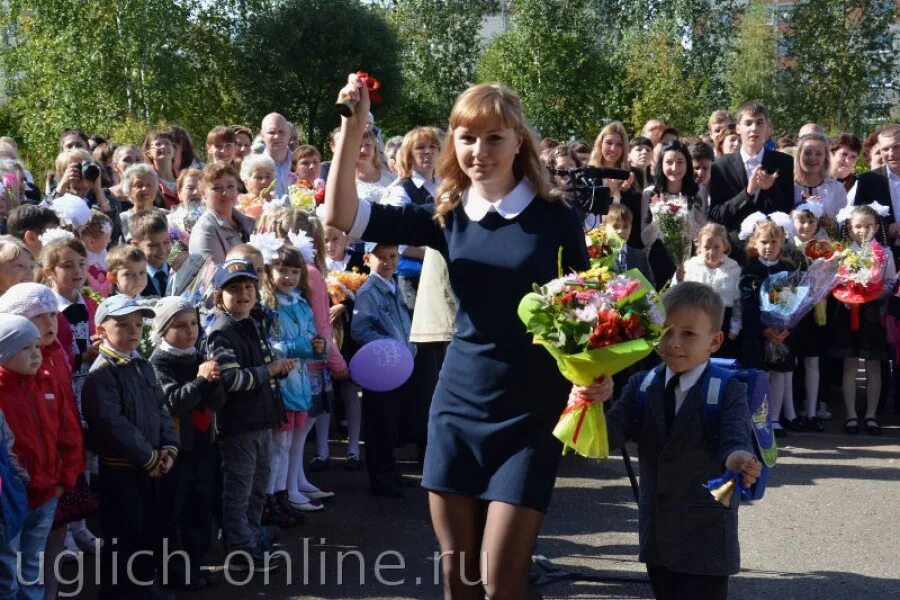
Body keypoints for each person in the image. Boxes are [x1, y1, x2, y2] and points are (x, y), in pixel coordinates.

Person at [325, 76, 588, 599]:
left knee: (501, 581)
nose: (479, 151)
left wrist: (596, 378)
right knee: (458, 578)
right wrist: (353, 130)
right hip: (458, 403)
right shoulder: (446, 215)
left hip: (531, 412)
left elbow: (584, 315)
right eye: (467, 138)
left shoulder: (556, 216)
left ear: (519, 141)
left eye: (494, 138)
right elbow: (341, 217)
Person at [587, 282, 760, 600]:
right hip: (658, 537)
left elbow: (734, 438)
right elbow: (605, 437)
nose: (674, 343)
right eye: (665, 331)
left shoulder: (727, 389)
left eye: (688, 334)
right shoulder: (643, 384)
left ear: (715, 341)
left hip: (706, 539)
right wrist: (594, 398)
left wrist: (738, 460)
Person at [81, 295, 177, 598]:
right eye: (122, 325)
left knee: (148, 529)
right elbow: (113, 423)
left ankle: (143, 584)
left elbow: (160, 408)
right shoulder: (101, 373)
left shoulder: (142, 365)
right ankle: (121, 591)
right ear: (101, 330)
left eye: (137, 325)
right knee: (122, 535)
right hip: (121, 469)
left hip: (150, 466)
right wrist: (147, 456)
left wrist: (169, 447)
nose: (133, 331)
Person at [205, 259, 295, 571]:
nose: (243, 293)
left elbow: (263, 362)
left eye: (248, 286)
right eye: (234, 288)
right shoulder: (220, 331)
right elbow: (231, 379)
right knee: (239, 487)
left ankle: (250, 532)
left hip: (261, 418)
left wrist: (278, 369)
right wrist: (268, 370)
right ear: (219, 295)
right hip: (239, 423)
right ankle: (239, 548)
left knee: (259, 483)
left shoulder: (252, 323)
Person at [0, 310, 81, 600]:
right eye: (25, 348)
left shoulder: (47, 383)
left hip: (47, 492)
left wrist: (63, 480)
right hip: (10, 498)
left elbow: (68, 433)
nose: (36, 355)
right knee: (7, 569)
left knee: (32, 565)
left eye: (37, 347)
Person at [149, 296, 225, 590]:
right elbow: (172, 403)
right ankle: (174, 571)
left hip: (204, 446)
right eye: (179, 326)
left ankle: (196, 564)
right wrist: (201, 381)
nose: (190, 331)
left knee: (201, 509)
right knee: (175, 513)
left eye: (193, 323)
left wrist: (216, 382)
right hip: (178, 451)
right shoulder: (160, 361)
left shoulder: (199, 356)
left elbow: (218, 403)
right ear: (164, 331)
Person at [258, 244, 329, 517]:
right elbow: (269, 345)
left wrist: (317, 346)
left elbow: (311, 334)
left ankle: (282, 495)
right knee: (278, 445)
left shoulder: (300, 302)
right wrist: (302, 346)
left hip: (298, 380)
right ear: (269, 272)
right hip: (280, 382)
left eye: (294, 272)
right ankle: (269, 498)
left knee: (288, 444)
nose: (288, 277)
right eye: (282, 271)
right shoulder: (269, 304)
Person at [350, 241, 417, 496]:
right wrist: (388, 346)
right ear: (368, 259)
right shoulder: (369, 291)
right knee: (380, 422)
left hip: (399, 364)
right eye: (381, 257)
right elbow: (360, 328)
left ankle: (391, 471)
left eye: (392, 256)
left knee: (392, 422)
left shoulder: (394, 284)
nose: (388, 262)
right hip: (384, 366)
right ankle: (381, 478)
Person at [831, 204, 897, 435]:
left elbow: (890, 283)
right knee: (849, 363)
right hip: (848, 312)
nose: (863, 231)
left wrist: (873, 293)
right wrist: (847, 294)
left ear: (877, 227)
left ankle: (870, 414)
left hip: (872, 314)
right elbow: (834, 281)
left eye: (869, 226)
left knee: (873, 364)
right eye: (858, 226)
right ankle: (850, 414)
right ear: (849, 229)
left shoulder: (884, 253)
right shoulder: (842, 252)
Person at [709, 101, 794, 263]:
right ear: (738, 128)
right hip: (735, 254)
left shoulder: (784, 162)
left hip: (773, 253)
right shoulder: (720, 166)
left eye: (759, 123)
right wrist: (747, 193)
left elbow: (786, 209)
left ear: (768, 128)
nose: (754, 128)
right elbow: (717, 215)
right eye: (748, 123)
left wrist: (771, 188)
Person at [737, 212, 797, 436]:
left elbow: (792, 302)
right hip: (758, 333)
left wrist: (785, 327)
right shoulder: (751, 270)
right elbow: (747, 304)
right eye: (764, 242)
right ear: (755, 243)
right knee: (761, 374)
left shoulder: (788, 268)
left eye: (774, 241)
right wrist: (765, 330)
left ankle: (774, 419)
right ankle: (758, 417)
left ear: (782, 241)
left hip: (782, 332)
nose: (769, 246)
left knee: (779, 373)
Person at [381, 126, 442, 312]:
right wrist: (439, 253)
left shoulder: (445, 186)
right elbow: (400, 243)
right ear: (408, 155)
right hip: (413, 277)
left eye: (433, 146)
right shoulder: (400, 190)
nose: (428, 151)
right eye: (420, 147)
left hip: (444, 273)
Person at [674, 223, 741, 358]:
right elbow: (675, 295)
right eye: (707, 247)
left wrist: (735, 326)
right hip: (694, 324)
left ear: (724, 246)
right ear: (699, 248)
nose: (712, 252)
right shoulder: (690, 267)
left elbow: (738, 302)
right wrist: (678, 280)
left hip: (723, 325)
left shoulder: (734, 269)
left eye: (716, 247)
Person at [789, 203, 829, 430]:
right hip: (791, 313)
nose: (805, 226)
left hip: (815, 312)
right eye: (801, 221)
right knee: (791, 363)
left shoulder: (824, 248)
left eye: (811, 221)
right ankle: (791, 411)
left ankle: (812, 411)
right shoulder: (786, 246)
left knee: (813, 361)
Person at [643, 140, 705, 285]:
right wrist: (658, 217)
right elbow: (645, 239)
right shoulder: (650, 193)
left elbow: (702, 234)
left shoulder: (698, 192)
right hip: (659, 258)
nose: (675, 167)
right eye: (669, 162)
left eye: (680, 162)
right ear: (661, 164)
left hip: (688, 256)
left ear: (687, 164)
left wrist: (687, 217)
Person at [189, 164, 255, 265]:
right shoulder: (204, 230)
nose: (225, 193)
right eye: (216, 188)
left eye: (230, 186)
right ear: (203, 194)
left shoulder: (248, 222)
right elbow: (214, 276)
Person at [852, 124, 900, 262]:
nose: (891, 153)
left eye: (896, 147)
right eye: (885, 149)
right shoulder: (868, 181)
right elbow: (858, 222)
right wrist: (886, 229)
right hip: (881, 259)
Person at [793, 133, 847, 229]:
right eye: (807, 153)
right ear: (799, 155)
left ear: (825, 158)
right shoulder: (787, 186)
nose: (813, 158)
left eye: (818, 154)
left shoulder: (836, 188)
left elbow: (845, 224)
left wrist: (833, 224)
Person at [603, 204, 655, 287]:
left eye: (626, 227)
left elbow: (650, 286)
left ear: (631, 228)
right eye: (615, 226)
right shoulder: (597, 256)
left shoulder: (639, 256)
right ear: (603, 227)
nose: (620, 231)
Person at [130, 212, 173, 298]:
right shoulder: (131, 278)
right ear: (136, 246)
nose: (162, 250)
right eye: (153, 245)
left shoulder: (177, 270)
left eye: (166, 242)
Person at [118, 163, 162, 242]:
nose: (145, 189)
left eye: (149, 185)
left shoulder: (166, 215)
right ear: (129, 190)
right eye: (139, 185)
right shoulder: (122, 219)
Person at [142, 129, 180, 210]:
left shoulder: (184, 178)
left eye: (167, 143)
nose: (163, 146)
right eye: (158, 144)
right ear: (148, 153)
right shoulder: (146, 180)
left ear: (173, 151)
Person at [261, 113, 294, 197]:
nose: (277, 136)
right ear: (262, 135)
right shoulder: (253, 167)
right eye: (271, 132)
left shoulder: (301, 163)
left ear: (289, 134)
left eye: (281, 132)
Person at [168, 167, 204, 236]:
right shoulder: (170, 222)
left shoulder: (214, 217)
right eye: (190, 188)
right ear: (179, 193)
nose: (196, 192)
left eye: (200, 188)